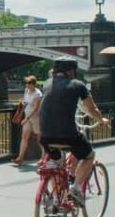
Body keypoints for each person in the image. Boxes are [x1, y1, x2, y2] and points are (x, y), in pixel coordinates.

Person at [38, 56, 109, 206]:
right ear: (71, 71)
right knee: (89, 155)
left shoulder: (46, 83)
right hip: (67, 135)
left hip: (44, 136)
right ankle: (76, 189)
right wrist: (100, 120)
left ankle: (57, 198)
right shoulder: (77, 85)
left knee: (56, 164)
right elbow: (91, 109)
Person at [12, 75, 44, 166]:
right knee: (24, 136)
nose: (27, 85)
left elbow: (36, 108)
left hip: (35, 117)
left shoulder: (37, 94)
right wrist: (22, 102)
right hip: (27, 116)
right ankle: (20, 158)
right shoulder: (26, 91)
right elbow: (26, 102)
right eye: (26, 83)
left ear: (34, 84)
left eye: (29, 83)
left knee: (39, 138)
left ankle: (43, 157)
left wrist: (26, 119)